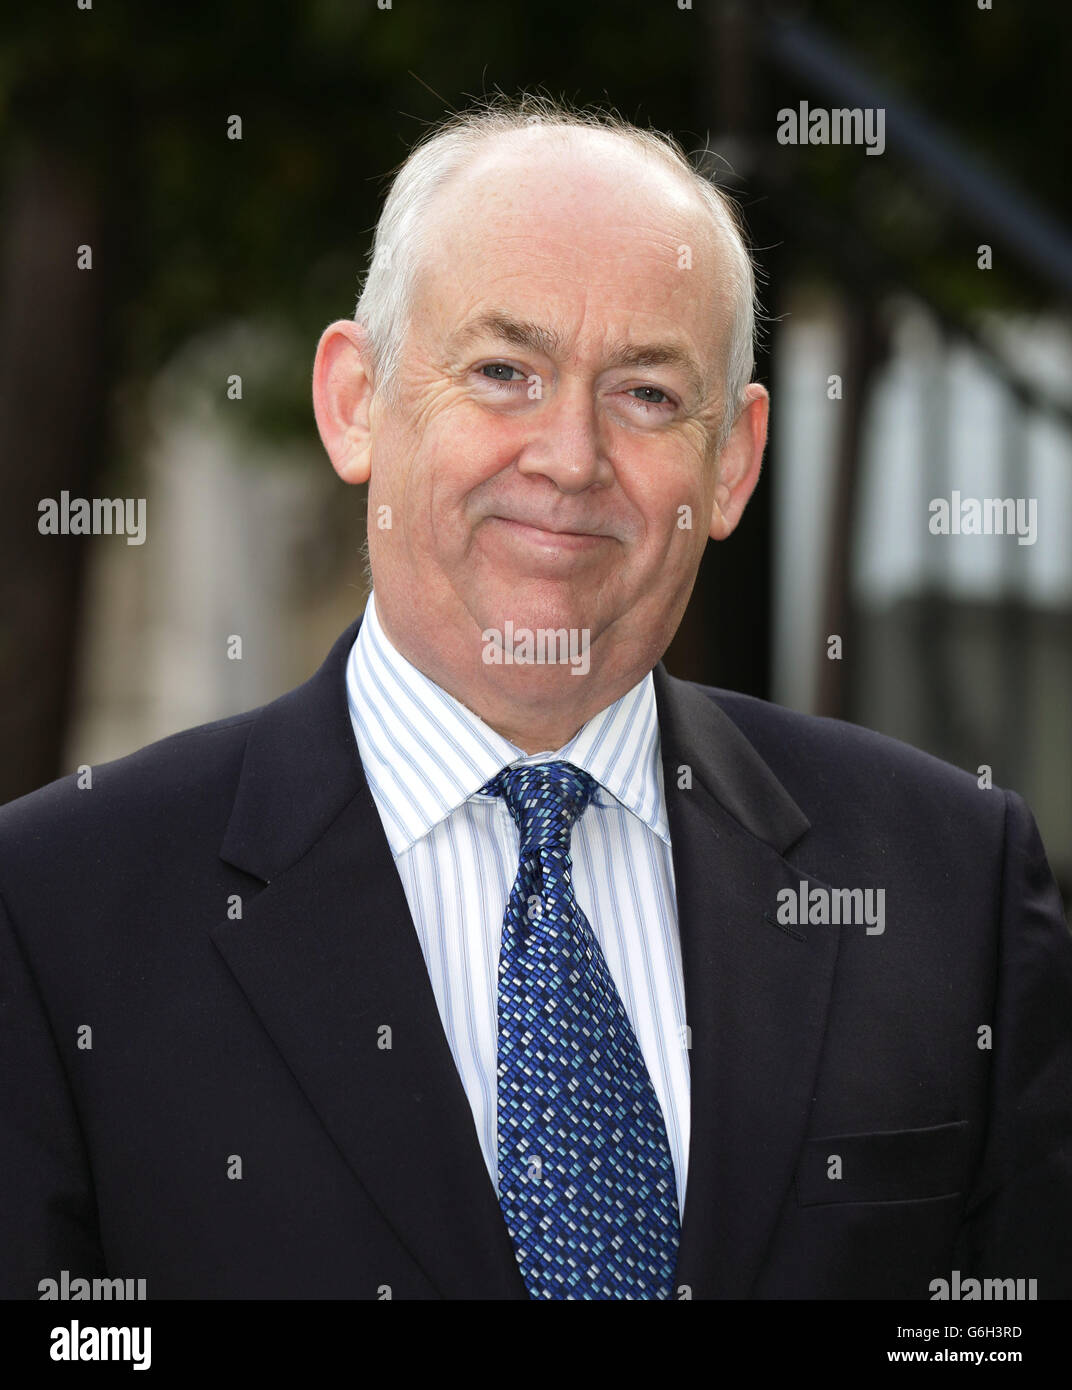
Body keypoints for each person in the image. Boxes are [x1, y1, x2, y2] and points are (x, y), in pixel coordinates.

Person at [1, 96, 1070, 1301]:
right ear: (356, 400)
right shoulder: (55, 916)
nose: (569, 457)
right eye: (504, 371)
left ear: (734, 462)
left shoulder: (949, 885)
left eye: (648, 394)